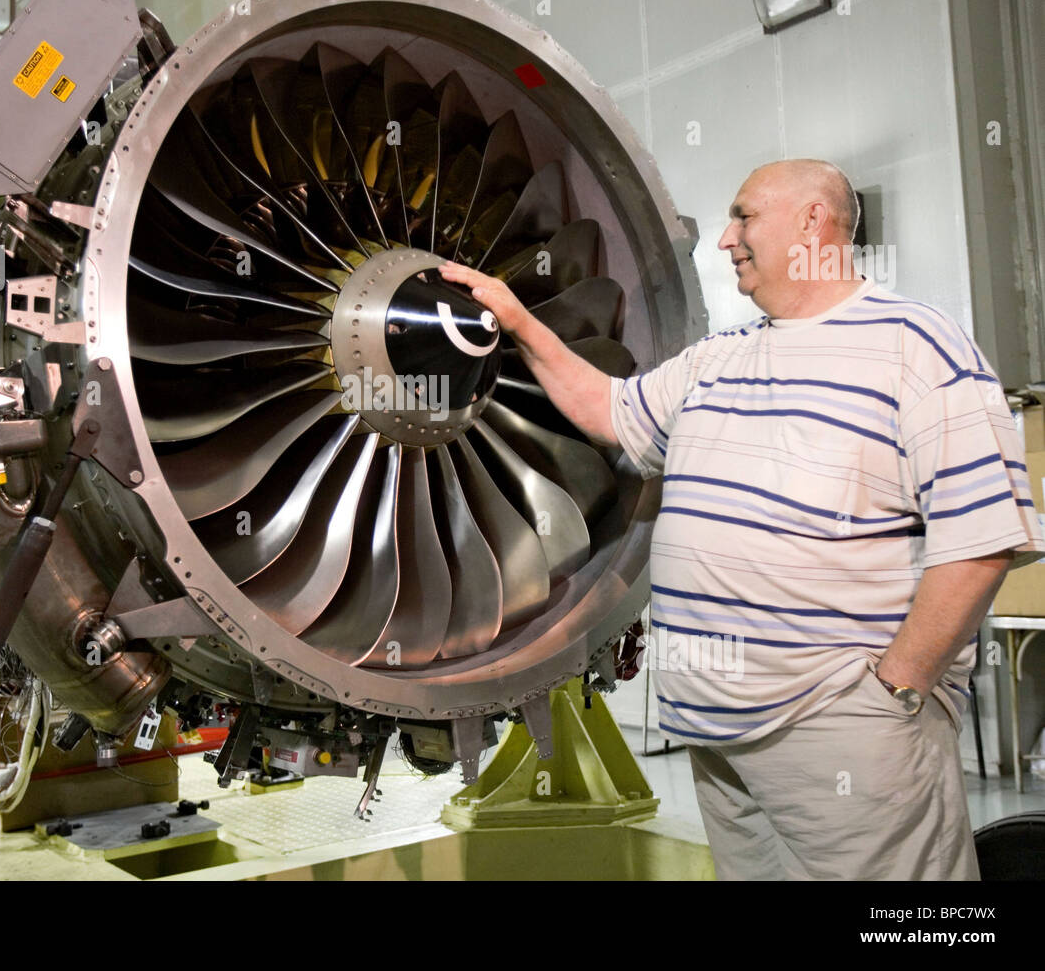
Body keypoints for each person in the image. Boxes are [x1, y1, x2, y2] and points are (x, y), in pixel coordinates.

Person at [439, 158, 1044, 880]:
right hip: (716, 736)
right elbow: (608, 409)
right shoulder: (721, 357)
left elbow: (979, 544)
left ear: (812, 221)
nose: (725, 238)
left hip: (841, 728)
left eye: (744, 215)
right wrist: (516, 320)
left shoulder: (918, 348)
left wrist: (896, 691)